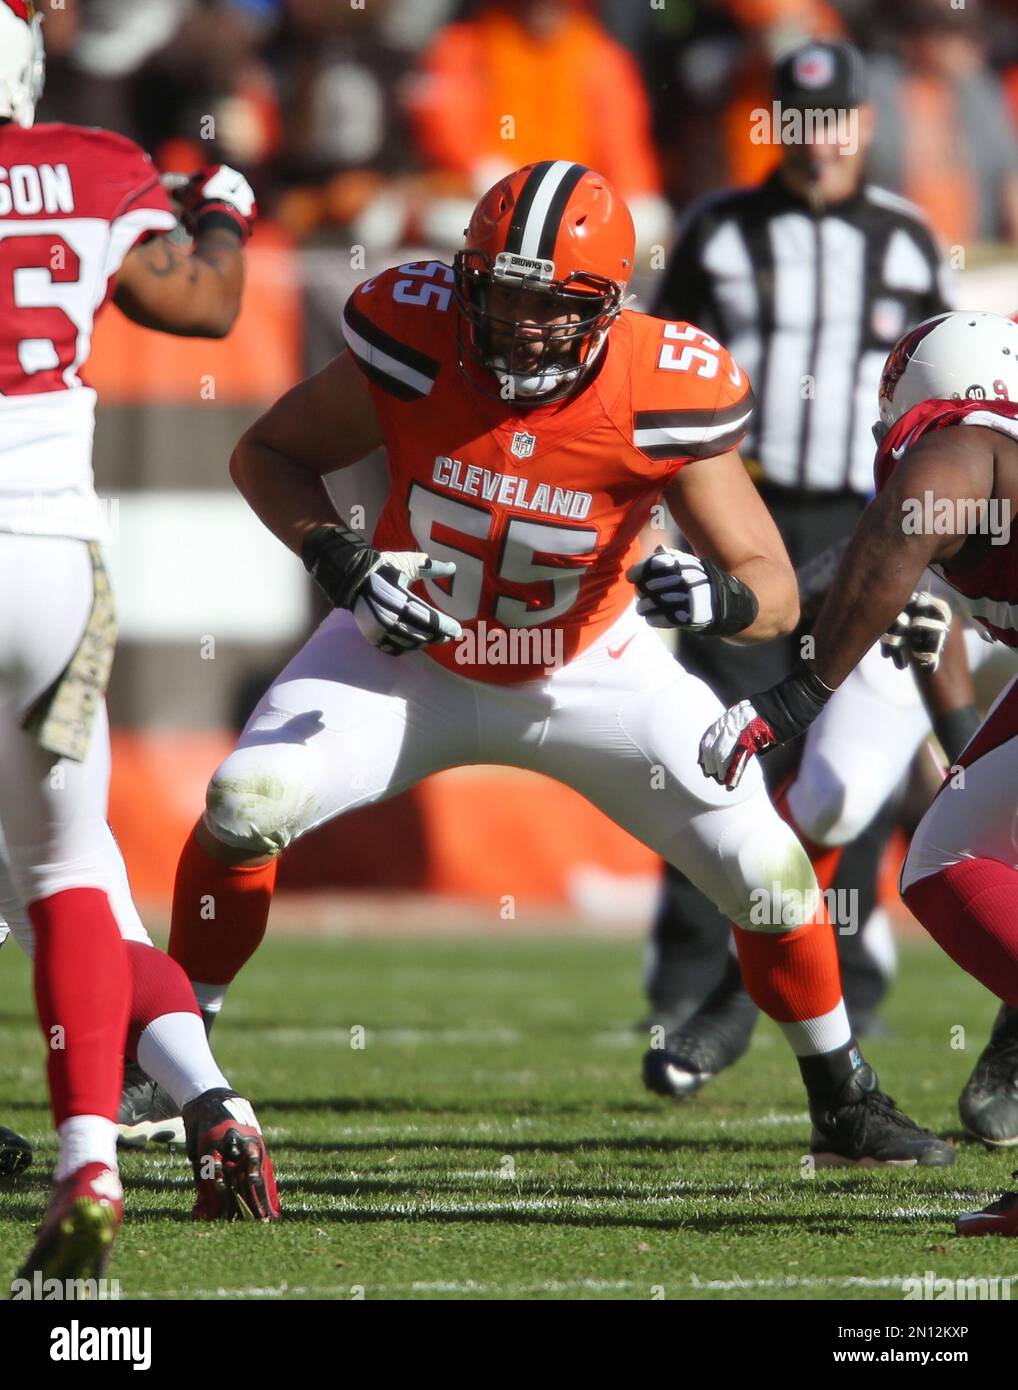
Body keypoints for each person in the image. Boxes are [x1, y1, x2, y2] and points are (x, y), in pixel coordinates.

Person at [147, 157, 951, 1170]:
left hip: (592, 664)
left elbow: (773, 589)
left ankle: (842, 1100)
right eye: (504, 290)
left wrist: (721, 599)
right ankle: (174, 1053)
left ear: (607, 309)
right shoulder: (415, 331)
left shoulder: (663, 383)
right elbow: (266, 453)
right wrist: (342, 561)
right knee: (243, 799)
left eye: (553, 301)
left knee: (767, 870)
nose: (522, 320)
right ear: (468, 278)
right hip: (411, 653)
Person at [0, 0, 277, 1284]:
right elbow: (210, 306)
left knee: (50, 872)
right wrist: (218, 201)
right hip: (52, 559)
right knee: (67, 868)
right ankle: (96, 1156)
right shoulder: (96, 166)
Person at [642, 37, 957, 1095]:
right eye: (801, 120)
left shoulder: (907, 239)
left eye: (835, 120)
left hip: (867, 516)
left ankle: (843, 978)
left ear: (864, 123)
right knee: (708, 744)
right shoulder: (718, 230)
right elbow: (653, 373)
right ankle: (692, 980)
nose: (819, 140)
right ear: (773, 126)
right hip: (744, 507)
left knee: (841, 760)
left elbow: (938, 393)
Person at [698, 308, 1018, 1233]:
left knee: (950, 860)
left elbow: (907, 517)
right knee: (958, 844)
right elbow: (870, 560)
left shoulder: (965, 444)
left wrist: (798, 693)